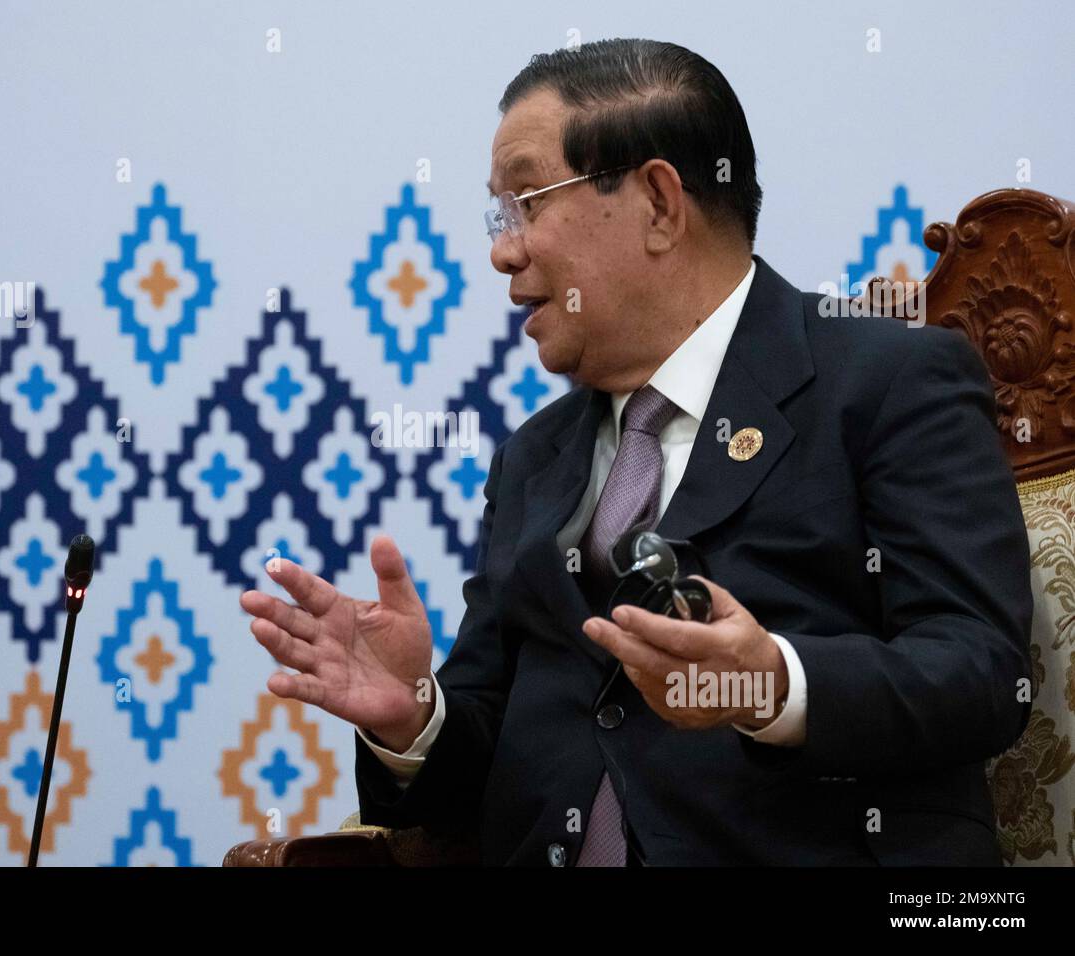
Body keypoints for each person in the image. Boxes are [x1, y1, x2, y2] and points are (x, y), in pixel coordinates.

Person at [239, 38, 1032, 865]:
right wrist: (412, 714)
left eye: (527, 203)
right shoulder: (533, 458)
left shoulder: (886, 382)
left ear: (658, 202)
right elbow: (482, 765)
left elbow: (980, 673)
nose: (502, 251)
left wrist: (769, 684)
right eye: (498, 215)